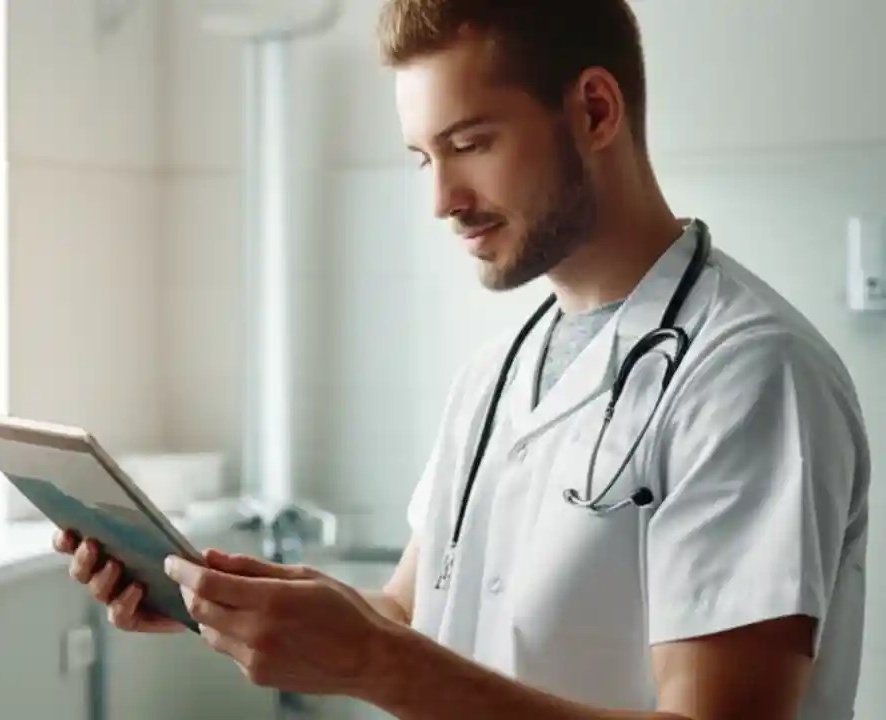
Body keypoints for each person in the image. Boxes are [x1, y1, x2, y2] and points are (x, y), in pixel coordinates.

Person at [54, 1, 872, 717]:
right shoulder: (498, 372)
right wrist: (227, 605)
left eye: (469, 143)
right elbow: (416, 617)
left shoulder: (751, 373)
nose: (441, 200)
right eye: (422, 157)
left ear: (594, 110)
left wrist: (372, 661)